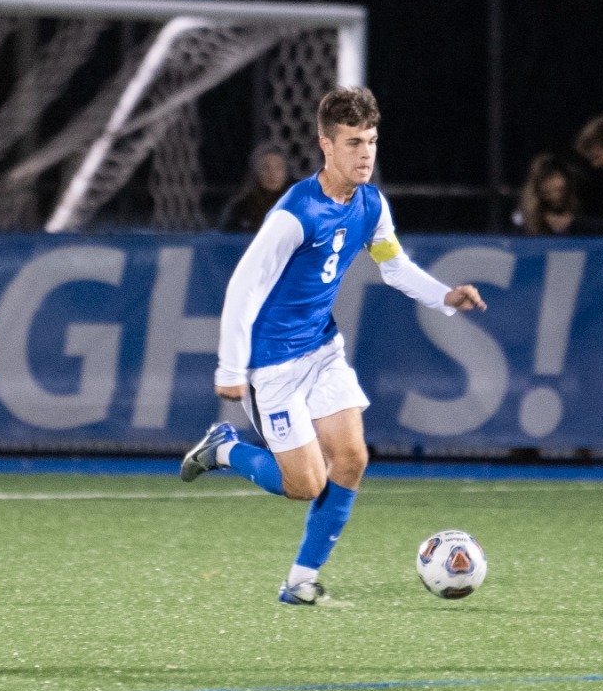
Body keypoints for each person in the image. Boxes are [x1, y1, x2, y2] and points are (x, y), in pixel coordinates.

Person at [178, 87, 488, 605]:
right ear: (326, 145)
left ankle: (301, 582)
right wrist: (231, 367)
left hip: (322, 351)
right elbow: (243, 286)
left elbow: (393, 266)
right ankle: (225, 449)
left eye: (370, 141)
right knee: (304, 483)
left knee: (351, 459)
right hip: (272, 364)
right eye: (352, 143)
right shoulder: (296, 213)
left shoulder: (370, 203)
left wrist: (445, 297)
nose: (365, 153)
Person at [218, 145, 290, 231]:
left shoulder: (297, 205)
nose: (272, 174)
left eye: (278, 168)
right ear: (256, 171)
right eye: (266, 168)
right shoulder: (240, 208)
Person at [514, 152, 580, 234]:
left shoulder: (580, 195)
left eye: (560, 190)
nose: (555, 196)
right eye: (547, 193)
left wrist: (575, 222)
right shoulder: (525, 212)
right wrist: (542, 220)